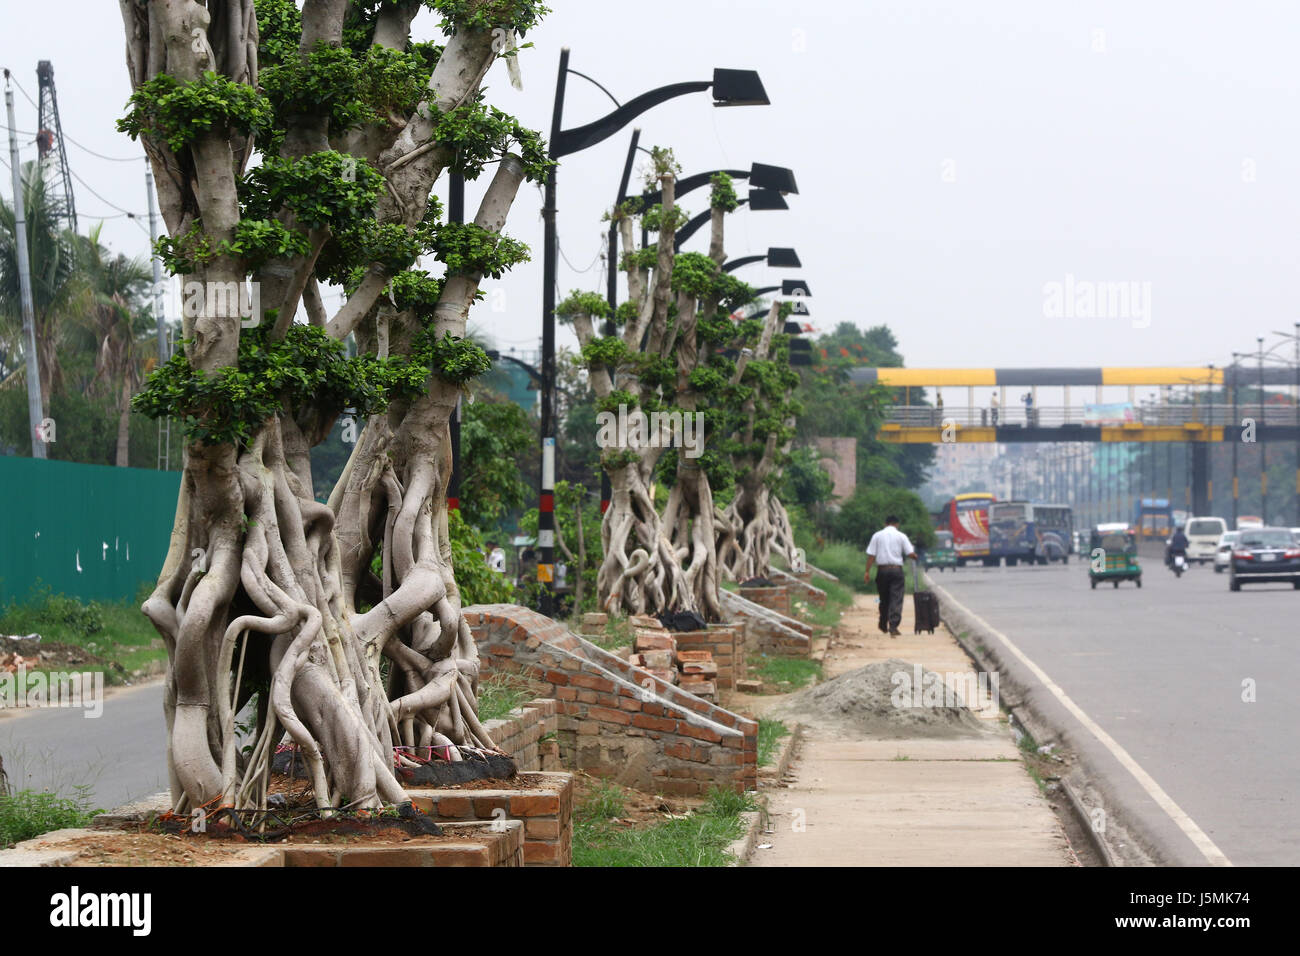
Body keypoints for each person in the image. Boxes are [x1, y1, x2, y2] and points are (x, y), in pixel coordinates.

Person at [864, 515, 918, 637]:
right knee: (896, 598)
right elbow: (910, 553)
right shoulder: (901, 536)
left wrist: (867, 571)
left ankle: (883, 623)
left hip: (882, 571)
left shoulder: (877, 535)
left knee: (883, 598)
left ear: (885, 523)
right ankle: (893, 626)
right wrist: (915, 556)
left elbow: (871, 556)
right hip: (896, 571)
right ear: (897, 524)